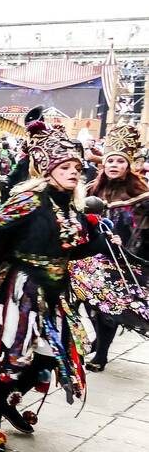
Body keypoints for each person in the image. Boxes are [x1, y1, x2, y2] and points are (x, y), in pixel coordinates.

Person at [0, 125, 116, 452]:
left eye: (77, 168)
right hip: (24, 287)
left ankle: (8, 404)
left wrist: (100, 241)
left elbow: (68, 249)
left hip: (56, 291)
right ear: (48, 170)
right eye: (65, 168)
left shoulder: (72, 205)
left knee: (48, 359)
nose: (74, 173)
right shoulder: (31, 198)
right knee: (17, 356)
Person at [83, 124, 149, 370]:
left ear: (128, 165)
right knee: (92, 306)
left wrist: (133, 249)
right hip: (92, 256)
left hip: (123, 258)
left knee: (108, 308)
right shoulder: (91, 190)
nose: (113, 165)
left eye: (120, 162)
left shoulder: (141, 193)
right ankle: (99, 343)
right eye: (110, 161)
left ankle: (101, 355)